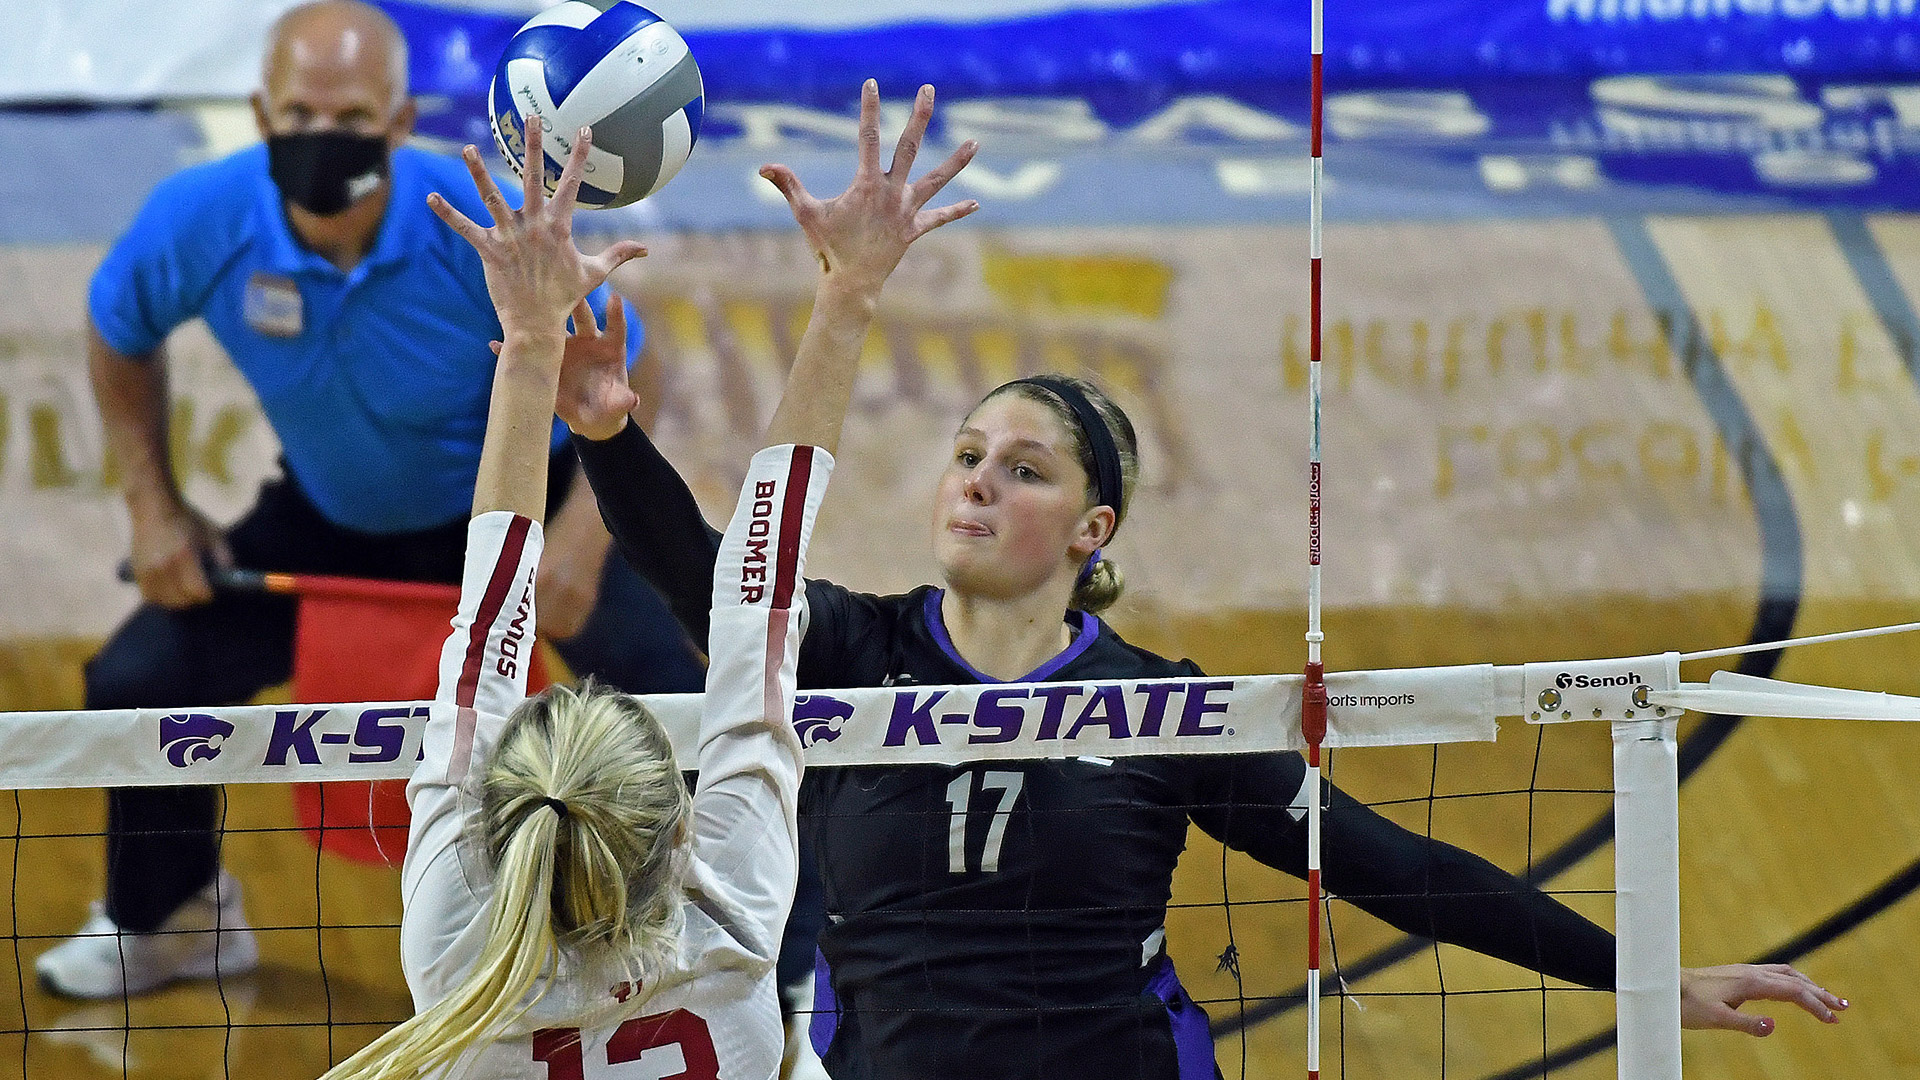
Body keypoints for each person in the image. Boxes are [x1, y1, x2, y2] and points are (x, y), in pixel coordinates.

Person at [560, 81, 1851, 1079]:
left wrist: (1647, 978)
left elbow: (1400, 871)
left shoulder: (1165, 714)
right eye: (966, 458)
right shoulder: (854, 650)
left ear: (1093, 526)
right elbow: (708, 582)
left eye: (1023, 470)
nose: (977, 484)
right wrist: (611, 437)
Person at [35, 0, 704, 1001]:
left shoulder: (484, 228)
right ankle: (169, 919)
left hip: (519, 507)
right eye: (298, 113)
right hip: (330, 519)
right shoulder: (202, 220)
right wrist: (154, 506)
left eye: (350, 117)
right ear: (261, 114)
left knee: (675, 698)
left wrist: (578, 539)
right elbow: (116, 328)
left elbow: (626, 375)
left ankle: (711, 936)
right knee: (140, 678)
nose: (322, 138)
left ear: (399, 123)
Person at [320, 120, 835, 1080]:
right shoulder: (734, 923)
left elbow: (488, 632)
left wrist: (522, 344)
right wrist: (849, 294)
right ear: (683, 834)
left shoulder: (455, 957)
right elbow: (761, 596)